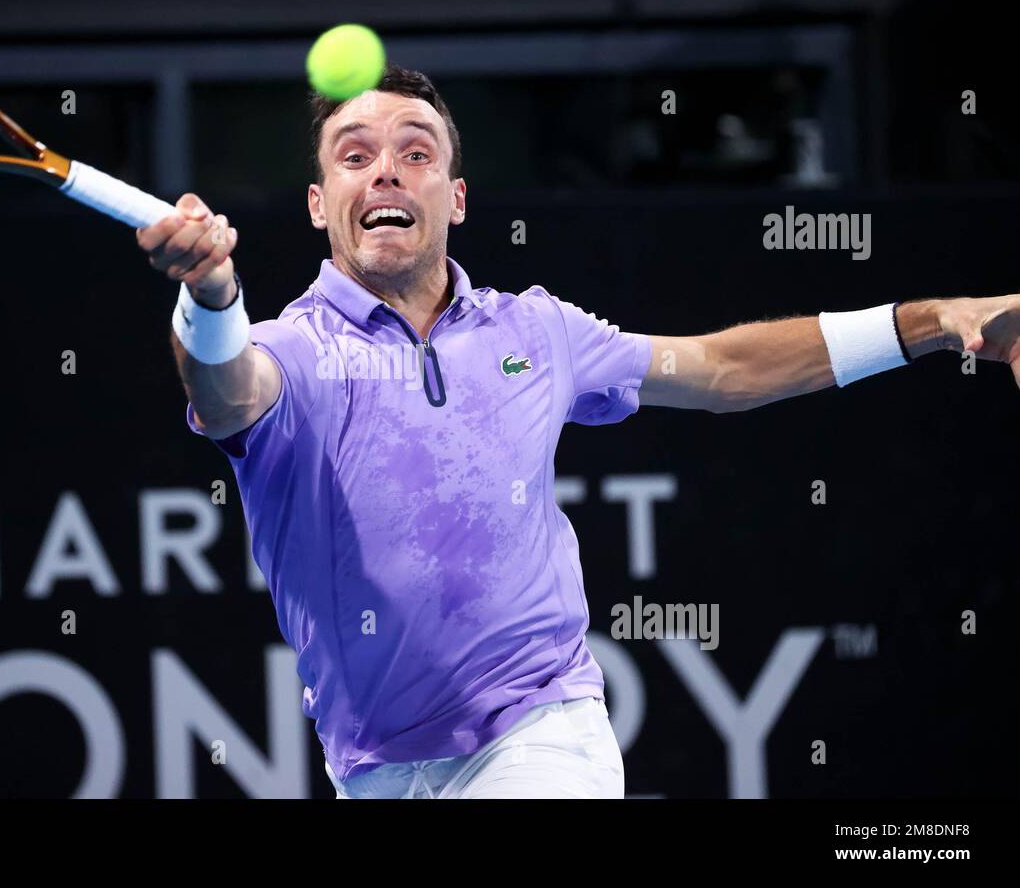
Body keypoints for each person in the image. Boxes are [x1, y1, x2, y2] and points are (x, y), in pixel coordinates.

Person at [137, 63, 1019, 799]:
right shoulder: (289, 352)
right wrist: (211, 299)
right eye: (355, 157)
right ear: (320, 203)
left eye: (417, 152)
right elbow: (225, 392)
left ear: (458, 197)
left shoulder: (537, 333)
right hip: (373, 768)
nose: (386, 172)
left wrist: (930, 321)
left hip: (539, 728)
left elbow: (721, 370)